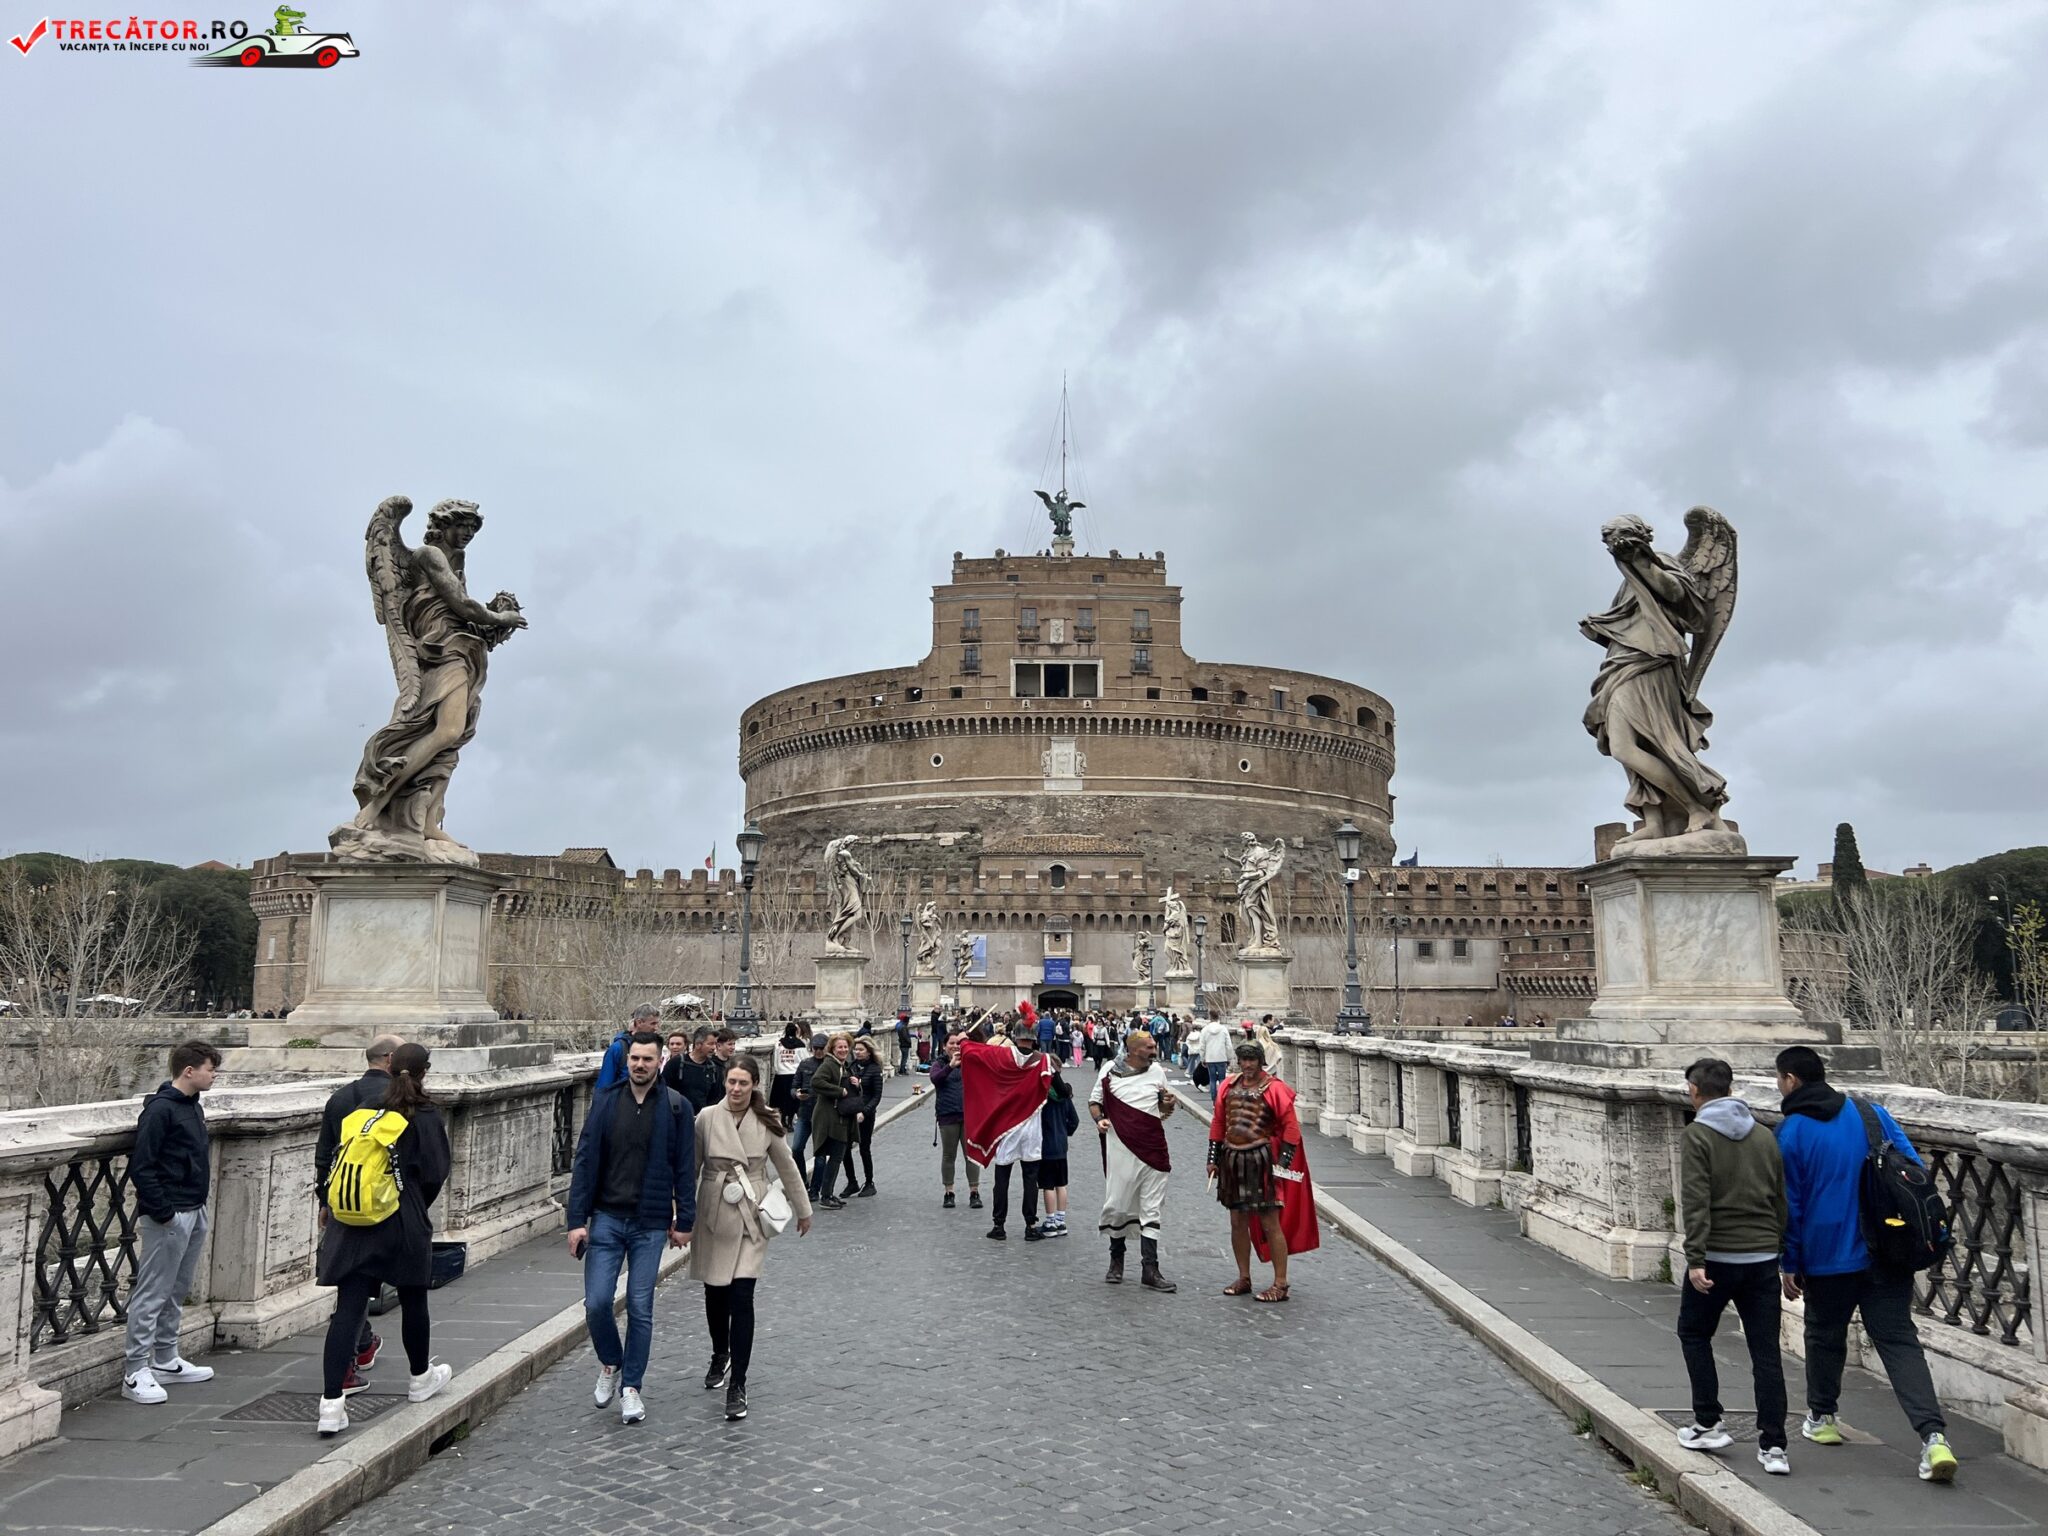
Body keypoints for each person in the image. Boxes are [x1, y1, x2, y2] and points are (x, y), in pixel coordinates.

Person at [1775, 1046, 1957, 1482]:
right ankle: (1933, 1438)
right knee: (1899, 1342)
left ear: (1792, 1080)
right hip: (1886, 1250)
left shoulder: (1791, 1132)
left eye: (1779, 1079)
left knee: (1824, 1335)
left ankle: (1822, 1418)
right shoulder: (1870, 1113)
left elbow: (1790, 1206)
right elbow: (1911, 1168)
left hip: (1826, 1257)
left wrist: (1789, 1261)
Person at [314, 1043, 455, 1436]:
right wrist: (412, 1204)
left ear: (391, 1068)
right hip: (401, 1218)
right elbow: (435, 1173)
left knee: (349, 1308)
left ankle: (330, 1405)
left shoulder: (364, 1109)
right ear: (425, 1071)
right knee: (413, 1300)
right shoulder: (424, 1114)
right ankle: (419, 1378)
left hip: (354, 1222)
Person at [565, 1031, 695, 1426]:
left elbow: (685, 1167)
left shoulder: (677, 1107)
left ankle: (631, 1387)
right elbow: (585, 1160)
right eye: (635, 1058)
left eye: (647, 1059)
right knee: (596, 1303)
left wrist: (685, 1220)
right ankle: (611, 1361)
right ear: (628, 1061)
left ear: (660, 1061)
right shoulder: (606, 1100)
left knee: (640, 1307)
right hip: (606, 1217)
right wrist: (576, 1221)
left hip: (650, 1222)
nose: (640, 1065)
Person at [1673, 1057, 1790, 1475]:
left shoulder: (1697, 1135)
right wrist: (1780, 1250)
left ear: (1694, 1090)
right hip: (1762, 1257)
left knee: (1694, 1333)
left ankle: (1708, 1422)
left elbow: (1696, 1200)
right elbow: (1780, 1198)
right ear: (1730, 1088)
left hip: (1718, 1257)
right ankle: (1774, 1446)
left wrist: (1695, 1258)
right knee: (1766, 1352)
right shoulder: (1763, 1135)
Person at [691, 1054, 813, 1422]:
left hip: (751, 1213)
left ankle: (738, 1384)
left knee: (742, 1295)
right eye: (731, 1081)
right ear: (724, 1082)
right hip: (714, 1210)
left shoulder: (766, 1120)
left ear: (755, 1084)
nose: (736, 1088)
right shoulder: (706, 1118)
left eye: (743, 1083)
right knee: (715, 1292)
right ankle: (720, 1352)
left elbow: (787, 1165)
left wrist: (803, 1208)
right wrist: (677, 1210)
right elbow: (691, 1165)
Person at [122, 1041, 222, 1405]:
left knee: (176, 1289)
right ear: (189, 1071)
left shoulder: (193, 1106)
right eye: (210, 1069)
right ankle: (135, 1370)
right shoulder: (161, 1110)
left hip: (193, 1208)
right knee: (152, 1291)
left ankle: (165, 1358)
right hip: (170, 1213)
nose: (214, 1076)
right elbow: (142, 1165)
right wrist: (164, 1212)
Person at [313, 1035, 403, 1396]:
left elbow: (324, 1156)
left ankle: (363, 1343)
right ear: (391, 1059)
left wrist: (324, 1201)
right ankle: (348, 1366)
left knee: (351, 1284)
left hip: (342, 1203)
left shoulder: (339, 1098)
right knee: (359, 1291)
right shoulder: (397, 1100)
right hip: (381, 1205)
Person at [1209, 1040, 1317, 1303]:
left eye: (1252, 1060)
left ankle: (1280, 1283)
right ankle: (1244, 1277)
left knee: (1270, 1222)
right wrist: (1212, 1158)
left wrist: (1283, 1164)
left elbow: (1291, 1129)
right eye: (1243, 1059)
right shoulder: (1228, 1086)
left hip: (1262, 1160)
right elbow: (1219, 1122)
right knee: (1237, 1221)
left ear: (1260, 1061)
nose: (1247, 1065)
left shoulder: (1275, 1089)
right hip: (1232, 1159)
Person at [1089, 1028, 1177, 1291]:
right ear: (1133, 1049)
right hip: (1121, 1148)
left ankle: (1150, 1269)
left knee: (1152, 1208)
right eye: (1149, 1047)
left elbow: (1162, 1109)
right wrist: (1099, 1120)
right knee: (1118, 1205)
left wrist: (1168, 1103)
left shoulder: (1157, 1072)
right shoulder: (1109, 1071)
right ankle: (1116, 1261)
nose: (1154, 1050)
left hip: (1153, 1148)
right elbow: (1094, 1102)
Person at [957, 1024, 1053, 1241]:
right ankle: (1030, 1226)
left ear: (1015, 1037)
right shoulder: (1044, 1060)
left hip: (1006, 1127)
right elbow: (1059, 1089)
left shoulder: (1002, 1055)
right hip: (1031, 1126)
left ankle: (999, 1225)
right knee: (1030, 1179)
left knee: (1002, 1178)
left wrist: (963, 1040)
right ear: (1034, 1038)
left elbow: (975, 1052)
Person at [928, 1037, 981, 1209]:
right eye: (951, 1043)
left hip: (969, 1115)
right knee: (948, 1156)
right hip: (947, 1115)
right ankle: (949, 1192)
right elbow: (935, 1079)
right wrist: (950, 1066)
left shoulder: (970, 1063)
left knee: (970, 1155)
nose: (955, 1046)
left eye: (958, 1043)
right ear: (944, 1046)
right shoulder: (939, 1064)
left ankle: (974, 1192)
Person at [806, 1033, 854, 1208]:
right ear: (832, 1049)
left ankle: (828, 1193)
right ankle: (825, 1196)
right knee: (835, 1155)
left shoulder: (842, 1065)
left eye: (845, 1047)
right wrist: (839, 1091)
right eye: (840, 1047)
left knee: (837, 1156)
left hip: (838, 1116)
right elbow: (816, 1082)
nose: (843, 1050)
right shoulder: (829, 1064)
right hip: (829, 1117)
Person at [838, 1036, 884, 1199]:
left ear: (869, 1052)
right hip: (850, 1112)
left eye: (861, 1050)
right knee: (845, 1148)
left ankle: (869, 1182)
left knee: (864, 1148)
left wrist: (864, 1111)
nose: (857, 1052)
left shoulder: (874, 1069)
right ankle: (852, 1181)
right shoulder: (851, 1066)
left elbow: (877, 1096)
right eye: (856, 1049)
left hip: (866, 1114)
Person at [1035, 1066, 1079, 1238]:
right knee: (1061, 1184)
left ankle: (1050, 1221)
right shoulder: (1064, 1095)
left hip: (1046, 1146)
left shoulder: (1042, 1097)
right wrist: (1065, 1132)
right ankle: (1061, 1221)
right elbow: (1074, 1120)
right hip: (1061, 1146)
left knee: (1048, 1185)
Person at [788, 1033, 828, 1167]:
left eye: (821, 1048)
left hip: (823, 1116)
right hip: (805, 1112)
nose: (818, 1051)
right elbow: (793, 1087)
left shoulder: (831, 1065)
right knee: (796, 1148)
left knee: (820, 1154)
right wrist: (797, 1094)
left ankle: (817, 1181)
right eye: (815, 1048)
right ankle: (802, 1178)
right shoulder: (805, 1064)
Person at [596, 1003, 659, 1090]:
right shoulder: (618, 1049)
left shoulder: (654, 1047)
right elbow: (604, 1087)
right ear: (639, 1022)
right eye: (653, 1024)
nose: (656, 1028)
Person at [664, 1026, 724, 1113]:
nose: (714, 1047)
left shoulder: (713, 1068)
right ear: (698, 1044)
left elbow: (715, 1098)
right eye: (710, 1044)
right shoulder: (676, 1063)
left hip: (702, 1117)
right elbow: (664, 1090)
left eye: (715, 1044)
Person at [1194, 1013, 1233, 1105]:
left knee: (1212, 1080)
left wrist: (1203, 1058)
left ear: (1210, 1018)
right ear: (1218, 1017)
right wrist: (1229, 1057)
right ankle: (1221, 1099)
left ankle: (1214, 1100)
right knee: (1222, 1079)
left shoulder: (1205, 1030)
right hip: (1221, 1057)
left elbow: (1202, 1046)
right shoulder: (1223, 1029)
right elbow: (1228, 1045)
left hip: (1210, 1058)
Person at [769, 1023, 805, 1120]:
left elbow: (776, 1059)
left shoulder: (778, 1044)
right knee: (794, 1099)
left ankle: (783, 1118)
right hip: (795, 1074)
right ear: (796, 1031)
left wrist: (777, 1069)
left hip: (781, 1075)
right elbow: (804, 1060)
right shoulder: (800, 1044)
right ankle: (790, 1119)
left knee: (781, 1099)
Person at [894, 1011, 913, 1076]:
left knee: (904, 1057)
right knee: (904, 1058)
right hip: (905, 1044)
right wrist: (909, 1041)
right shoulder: (904, 1027)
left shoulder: (899, 1025)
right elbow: (905, 1036)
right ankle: (902, 1070)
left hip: (902, 1044)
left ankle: (902, 1069)